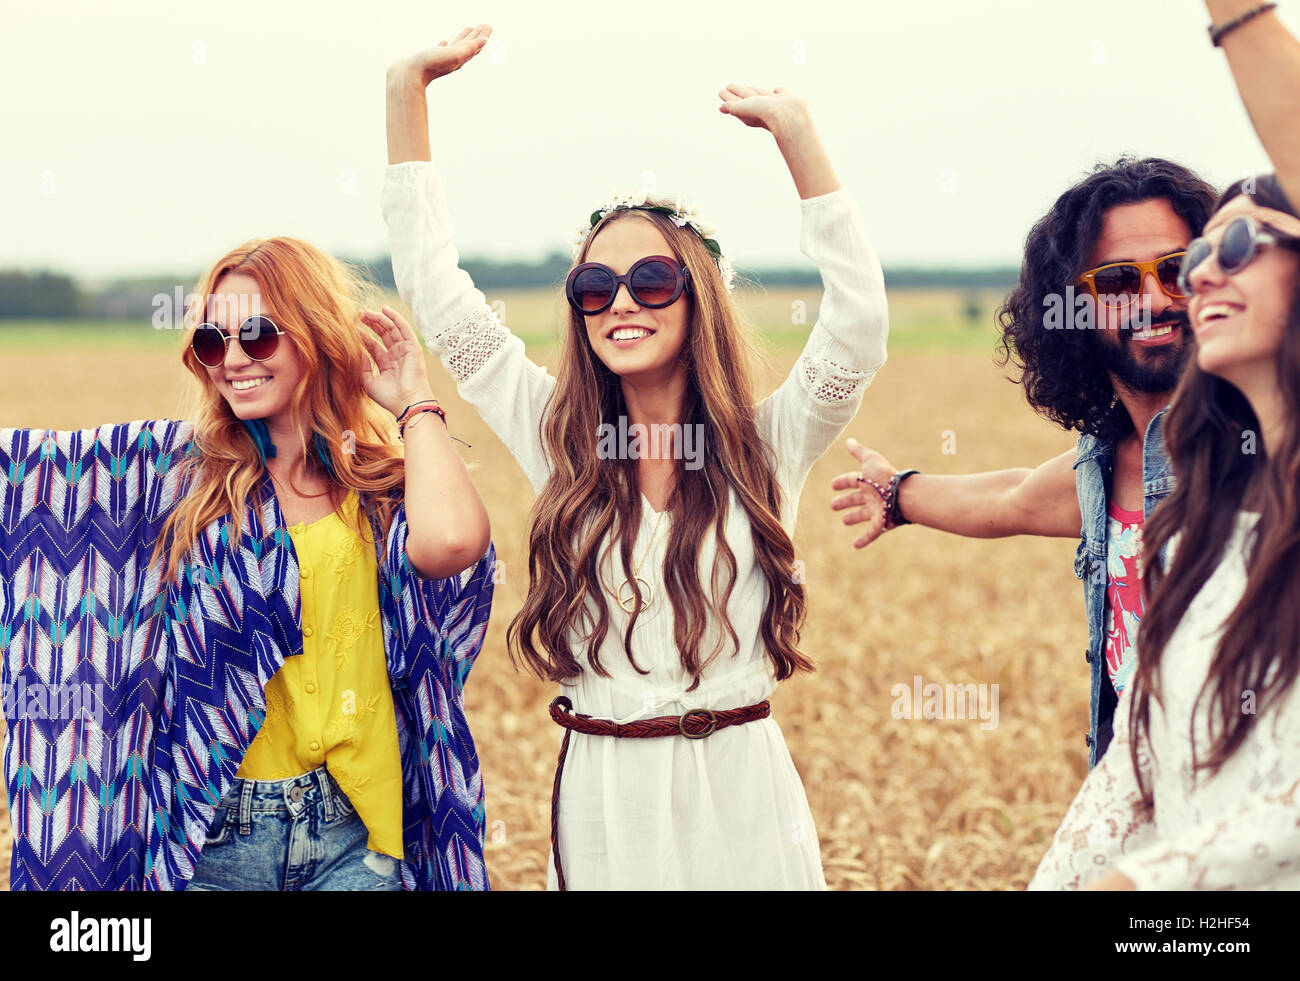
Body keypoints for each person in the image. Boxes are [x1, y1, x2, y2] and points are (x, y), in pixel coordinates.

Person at [382, 24, 888, 889]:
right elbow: (439, 294)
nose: (621, 302)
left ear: (699, 298)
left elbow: (858, 329)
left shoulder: (767, 444)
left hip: (740, 786)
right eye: (594, 287)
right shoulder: (557, 437)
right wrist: (405, 95)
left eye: (652, 282)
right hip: (604, 790)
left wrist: (799, 139)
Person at [0, 236, 496, 890]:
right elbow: (24, 477)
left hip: (354, 832)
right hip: (212, 839)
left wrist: (413, 403)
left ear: (316, 334)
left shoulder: (376, 486)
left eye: (258, 335)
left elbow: (453, 544)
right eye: (212, 341)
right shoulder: (167, 474)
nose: (232, 358)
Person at [1030, 1, 1300, 890]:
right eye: (1199, 259)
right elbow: (1140, 762)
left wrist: (1144, 888)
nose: (1198, 277)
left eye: (1237, 243)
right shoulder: (1194, 520)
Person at [831, 158, 1217, 767]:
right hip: (1139, 799)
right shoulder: (1101, 468)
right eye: (1117, 283)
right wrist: (898, 494)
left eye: (1180, 270)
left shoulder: (1268, 436)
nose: (1154, 299)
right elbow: (1010, 499)